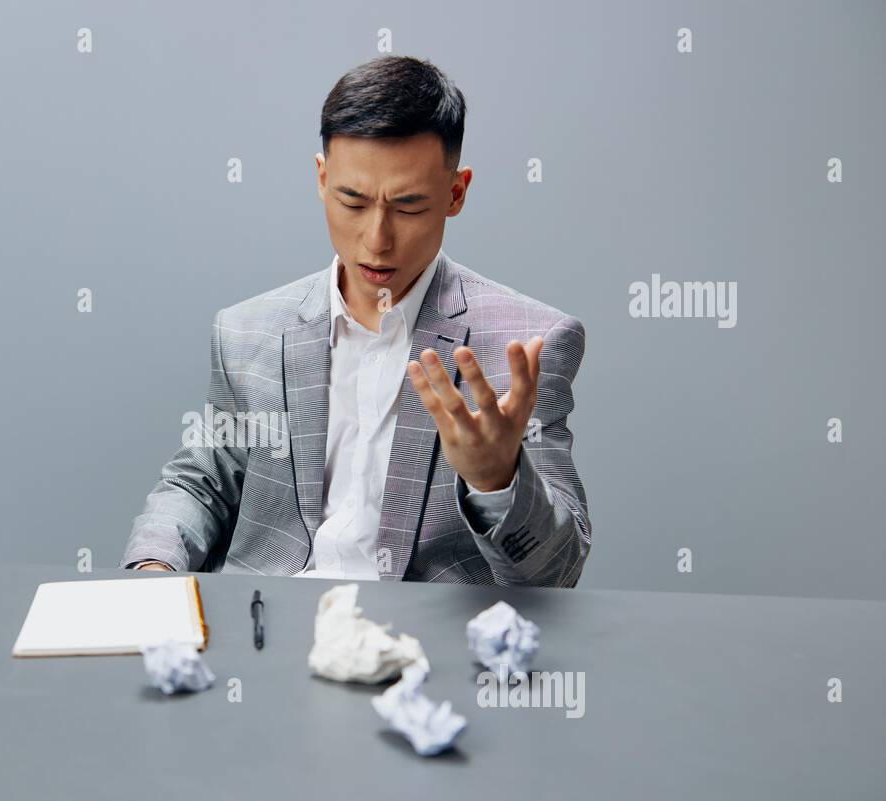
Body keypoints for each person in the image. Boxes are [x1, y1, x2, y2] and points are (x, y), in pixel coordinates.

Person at [122, 56, 590, 586]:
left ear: (456, 194)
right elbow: (202, 482)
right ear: (322, 179)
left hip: (426, 650)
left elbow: (559, 573)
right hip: (263, 632)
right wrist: (153, 567)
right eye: (353, 201)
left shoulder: (530, 343)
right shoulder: (246, 331)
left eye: (409, 207)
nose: (376, 240)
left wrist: (496, 480)